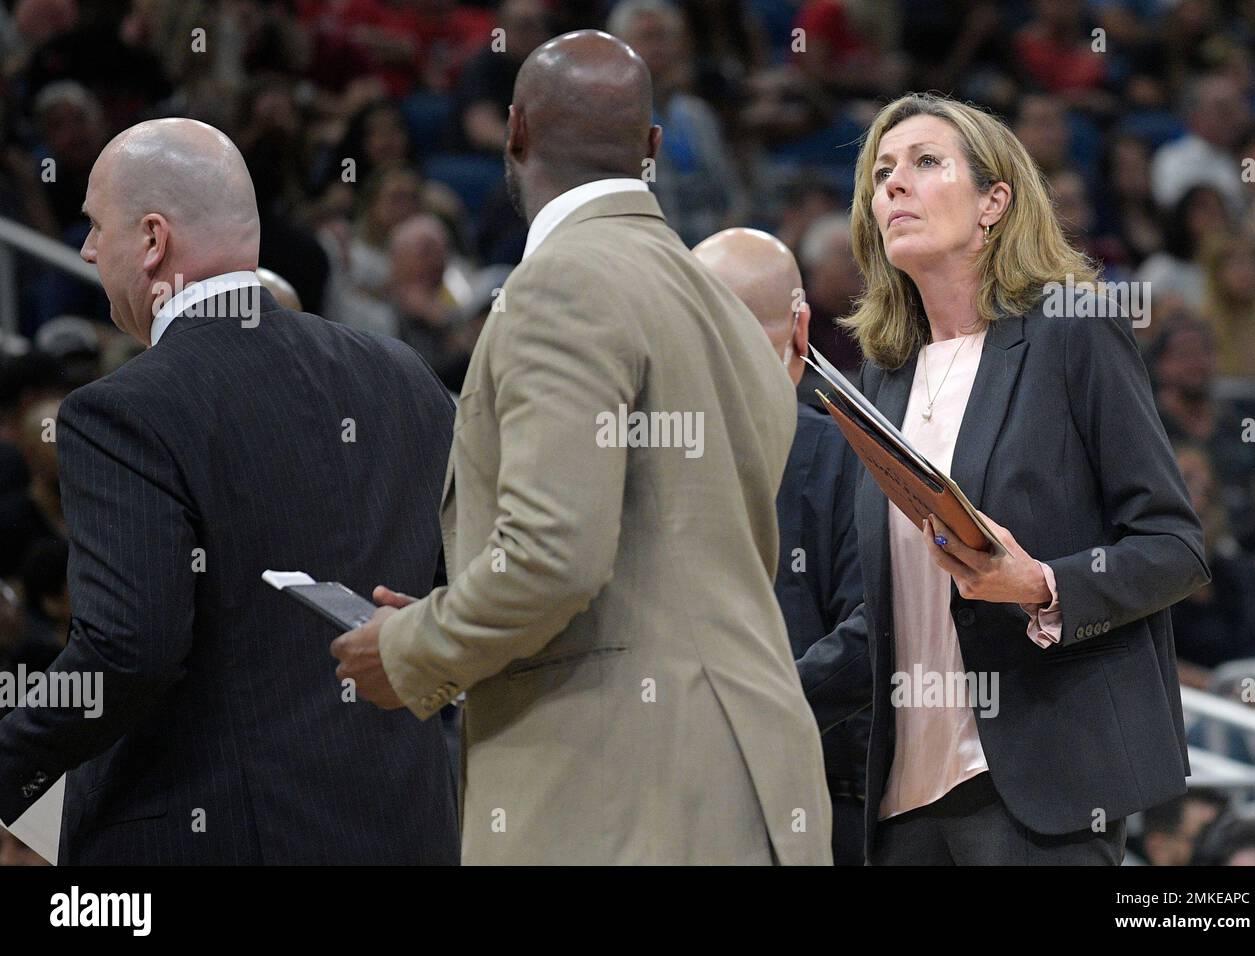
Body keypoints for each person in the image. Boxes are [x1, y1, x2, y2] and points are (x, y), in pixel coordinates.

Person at [331, 30, 832, 865]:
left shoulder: (562, 283)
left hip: (626, 792)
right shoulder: (730, 313)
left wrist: (413, 648)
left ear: (514, 131)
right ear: (653, 147)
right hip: (761, 783)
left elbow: (553, 557)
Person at [0, 118, 460, 864]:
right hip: (409, 830)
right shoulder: (403, 374)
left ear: (152, 240)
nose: (86, 250)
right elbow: (463, 593)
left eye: (94, 225)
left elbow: (129, 652)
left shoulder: (124, 410)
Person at [798, 92, 1210, 865]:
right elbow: (894, 614)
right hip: (902, 807)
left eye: (925, 163)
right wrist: (766, 698)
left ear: (995, 201)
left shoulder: (1072, 330)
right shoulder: (883, 380)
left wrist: (1042, 585)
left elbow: (1175, 546)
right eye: (881, 172)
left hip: (1040, 790)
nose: (893, 185)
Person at [694, 227, 866, 865]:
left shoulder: (626, 458)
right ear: (802, 329)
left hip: (788, 791)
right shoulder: (859, 458)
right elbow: (876, 630)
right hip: (818, 798)